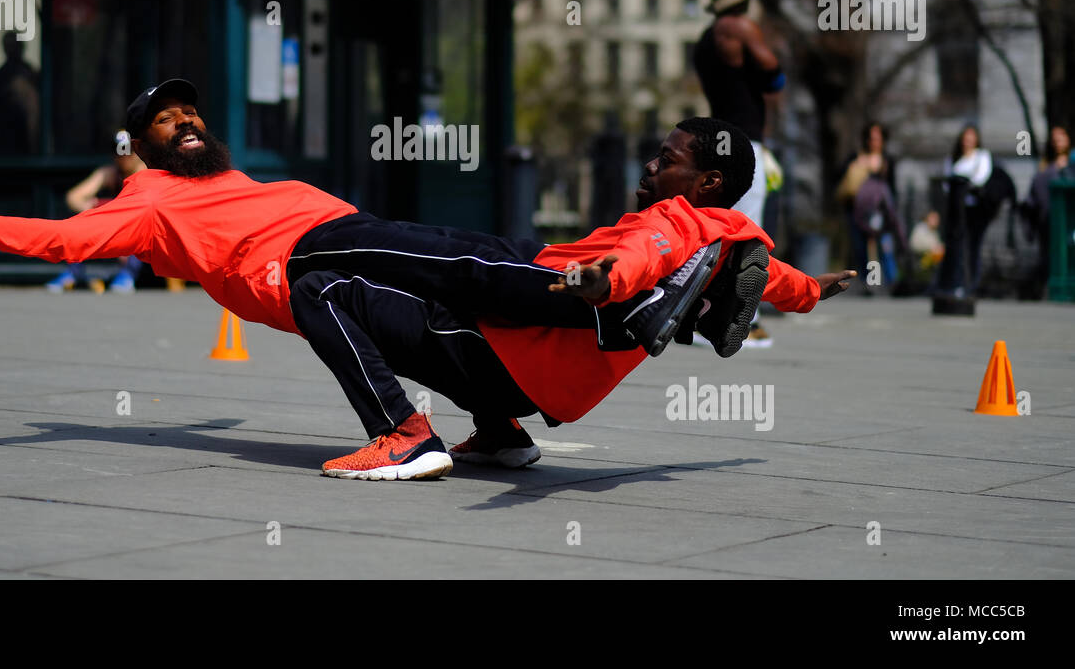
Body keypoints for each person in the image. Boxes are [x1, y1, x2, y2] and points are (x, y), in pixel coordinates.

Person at [0, 81, 815, 477]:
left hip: (343, 235)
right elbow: (59, 242)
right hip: (321, 255)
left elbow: (751, 251)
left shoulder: (228, 174)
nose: (188, 124)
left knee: (475, 270)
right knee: (455, 277)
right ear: (140, 151)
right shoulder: (148, 202)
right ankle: (591, 326)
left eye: (192, 112)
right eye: (167, 123)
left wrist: (816, 290)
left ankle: (544, 371)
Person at [288, 120, 856, 480]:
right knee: (439, 274)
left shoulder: (674, 220)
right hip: (538, 380)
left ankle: (402, 437)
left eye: (668, 158)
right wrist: (811, 291)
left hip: (533, 311)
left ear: (706, 181)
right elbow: (775, 276)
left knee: (328, 284)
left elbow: (642, 252)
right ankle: (500, 434)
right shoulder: (728, 242)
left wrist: (605, 282)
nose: (652, 165)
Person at [693, 0, 785, 347]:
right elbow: (774, 73)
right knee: (748, 232)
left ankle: (703, 314)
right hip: (745, 142)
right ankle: (738, 320)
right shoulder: (739, 28)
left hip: (720, 140)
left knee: (720, 230)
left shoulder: (703, 40)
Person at [46, 131, 148, 294]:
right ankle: (74, 272)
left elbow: (145, 209)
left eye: (128, 151)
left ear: (137, 152)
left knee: (140, 225)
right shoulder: (109, 173)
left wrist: (108, 208)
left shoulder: (146, 172)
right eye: (119, 151)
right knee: (82, 221)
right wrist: (95, 208)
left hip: (141, 235)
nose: (124, 156)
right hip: (115, 228)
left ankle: (128, 274)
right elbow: (73, 197)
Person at [836, 122, 901, 291]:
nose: (874, 142)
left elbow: (892, 189)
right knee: (861, 247)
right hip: (858, 211)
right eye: (872, 139)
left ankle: (889, 281)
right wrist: (858, 165)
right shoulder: (856, 157)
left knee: (884, 247)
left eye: (878, 139)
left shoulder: (887, 160)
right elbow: (842, 178)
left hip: (880, 213)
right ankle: (868, 282)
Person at [1021, 125, 1072, 297]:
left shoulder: (1072, 164)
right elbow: (1034, 197)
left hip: (1069, 220)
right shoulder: (1045, 169)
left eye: (1061, 136)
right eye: (1054, 138)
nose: (1058, 141)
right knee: (1048, 258)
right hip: (1048, 222)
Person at [945, 124, 996, 290]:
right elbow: (947, 184)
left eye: (971, 138)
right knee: (956, 245)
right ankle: (955, 281)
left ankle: (970, 283)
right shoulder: (953, 159)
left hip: (974, 209)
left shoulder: (981, 156)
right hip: (956, 208)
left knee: (973, 246)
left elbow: (980, 178)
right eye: (965, 138)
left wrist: (964, 183)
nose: (967, 141)